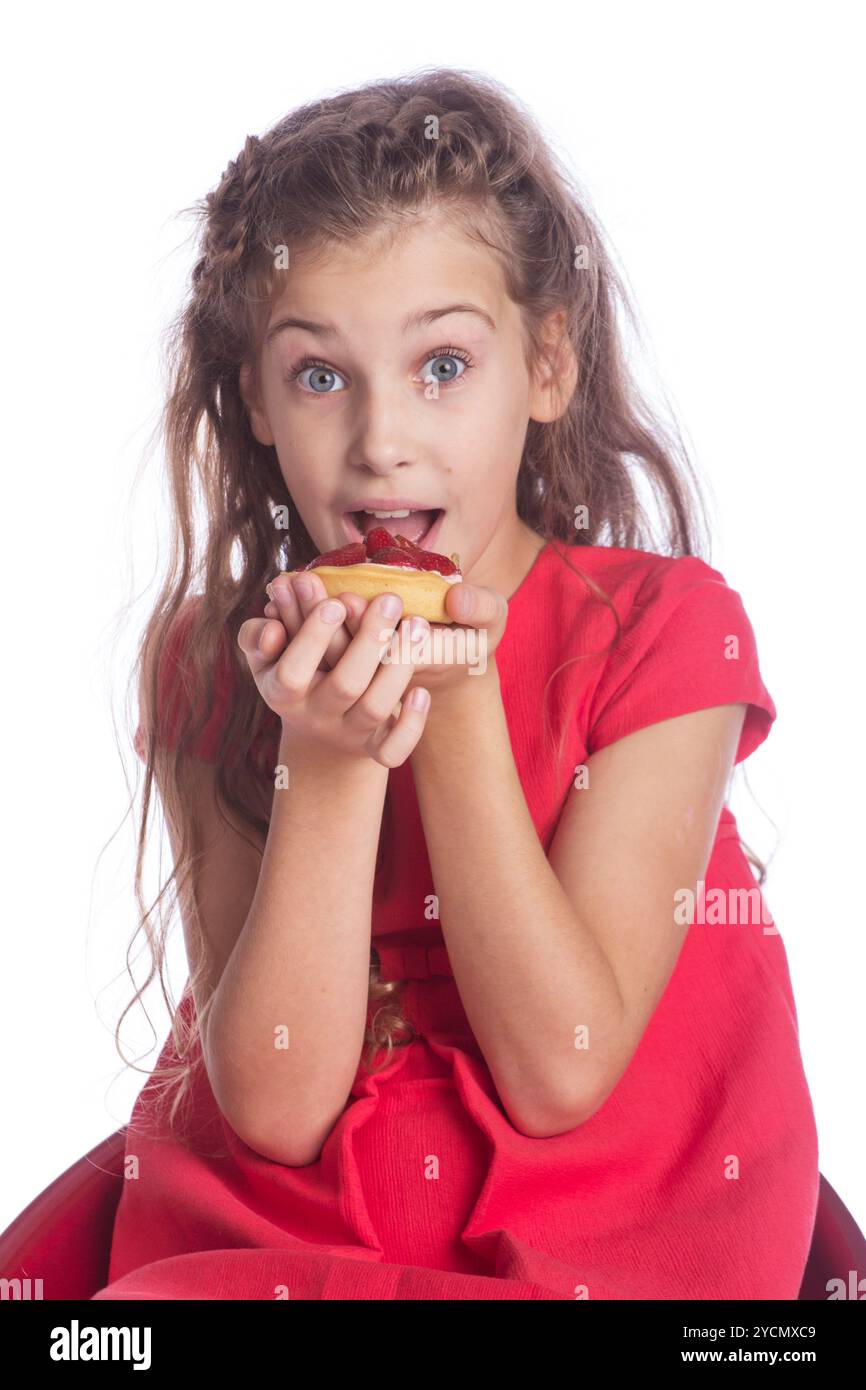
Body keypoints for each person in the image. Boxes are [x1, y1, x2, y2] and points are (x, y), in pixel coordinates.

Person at [93, 67, 818, 1301]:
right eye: (321, 375)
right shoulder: (216, 667)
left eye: (441, 366)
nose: (382, 437)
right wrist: (323, 762)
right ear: (259, 402)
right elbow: (268, 1104)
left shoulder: (665, 633)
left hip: (601, 1227)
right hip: (295, 1231)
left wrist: (458, 704)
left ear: (543, 367)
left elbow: (560, 1068)